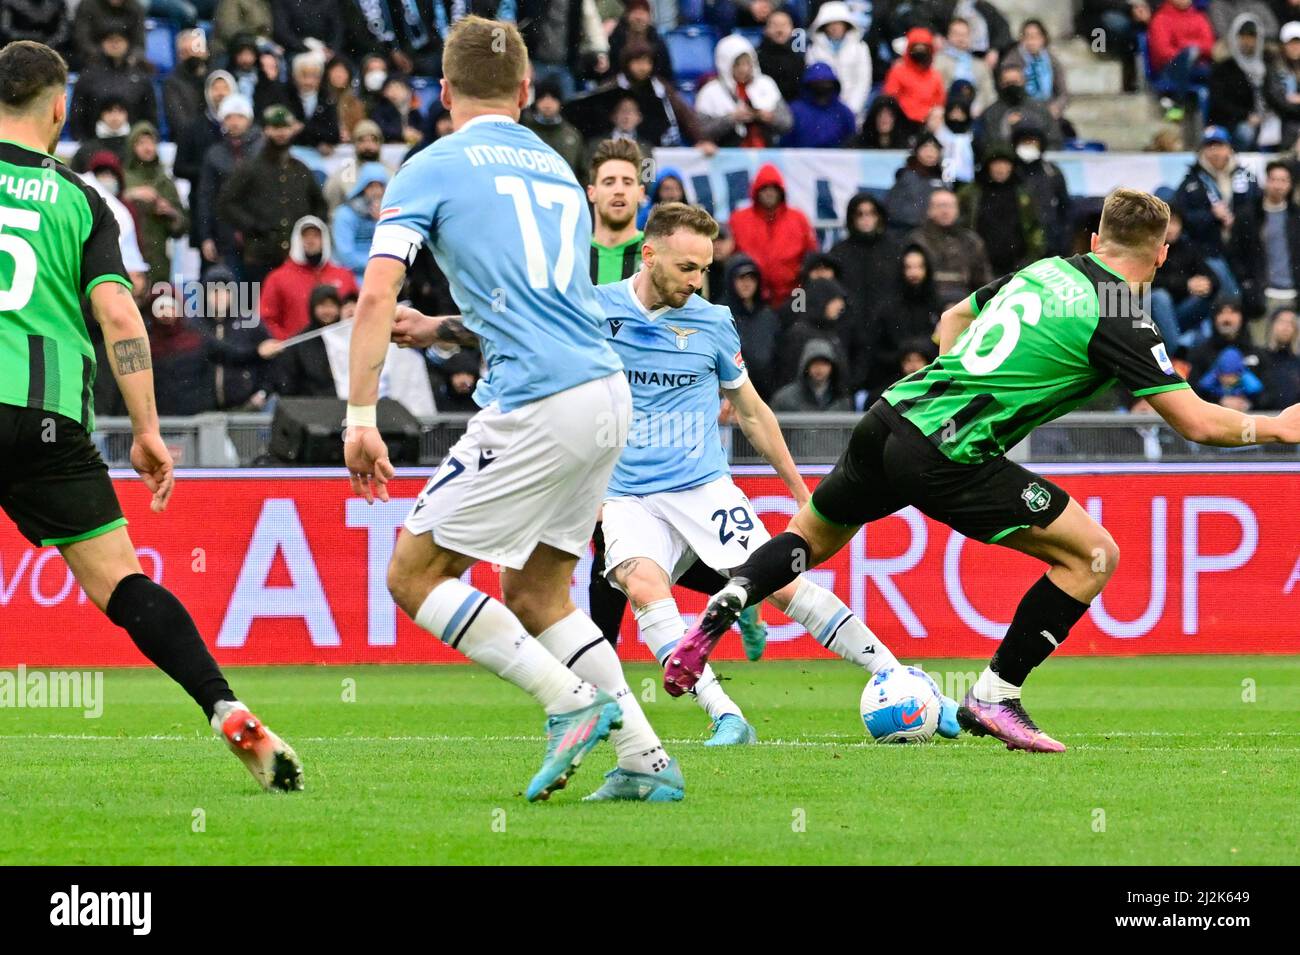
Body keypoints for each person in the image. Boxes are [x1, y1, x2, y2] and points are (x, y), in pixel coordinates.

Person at [667, 187, 1300, 752]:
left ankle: (732, 597)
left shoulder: (1048, 271)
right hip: (947, 453)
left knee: (808, 541)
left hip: (893, 415)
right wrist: (1278, 427)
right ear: (1161, 255)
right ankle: (995, 694)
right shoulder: (1123, 316)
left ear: (1092, 240)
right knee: (1093, 556)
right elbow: (1195, 423)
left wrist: (957, 385)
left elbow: (953, 318)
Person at [344, 16, 681, 803]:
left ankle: (567, 701)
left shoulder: (429, 167)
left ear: (442, 92)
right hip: (605, 393)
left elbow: (372, 294)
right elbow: (545, 302)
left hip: (538, 399)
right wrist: (442, 330)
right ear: (527, 93)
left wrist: (361, 414)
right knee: (537, 592)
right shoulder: (561, 172)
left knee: (415, 573)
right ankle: (645, 758)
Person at [0, 40, 302, 791]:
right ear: (61, 105)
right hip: (46, 422)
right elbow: (120, 316)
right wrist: (146, 430)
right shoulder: (82, 200)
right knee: (123, 585)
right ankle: (222, 703)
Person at [596, 203, 950, 743]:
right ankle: (726, 715)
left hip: (700, 485)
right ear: (649, 255)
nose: (697, 282)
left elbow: (753, 411)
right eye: (687, 268)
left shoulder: (713, 322)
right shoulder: (595, 312)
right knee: (643, 587)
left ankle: (902, 679)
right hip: (625, 494)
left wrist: (799, 491)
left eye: (705, 268)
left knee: (781, 587)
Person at [217, 104, 329, 284]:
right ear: (266, 130)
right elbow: (226, 203)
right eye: (276, 128)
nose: (281, 133)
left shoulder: (300, 169)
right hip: (261, 256)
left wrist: (308, 232)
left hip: (296, 257)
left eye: (284, 128)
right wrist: (253, 226)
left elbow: (320, 205)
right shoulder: (251, 167)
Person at [1173, 125, 1259, 305]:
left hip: (1244, 248)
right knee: (1228, 297)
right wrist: (1210, 216)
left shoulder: (1247, 178)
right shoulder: (1192, 181)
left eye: (1219, 145)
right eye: (1209, 146)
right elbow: (1181, 217)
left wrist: (1239, 220)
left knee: (1251, 296)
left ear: (1229, 148)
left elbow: (1257, 211)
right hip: (1209, 251)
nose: (1214, 151)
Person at [729, 162, 818, 307]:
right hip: (750, 297)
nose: (769, 193)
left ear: (781, 192)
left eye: (774, 188)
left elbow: (811, 255)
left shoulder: (798, 218)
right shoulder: (738, 219)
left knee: (799, 325)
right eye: (764, 188)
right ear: (756, 191)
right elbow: (732, 258)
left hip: (794, 295)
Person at [258, 215, 358, 340]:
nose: (310, 240)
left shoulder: (344, 275)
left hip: (339, 350)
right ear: (296, 239)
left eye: (316, 235)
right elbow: (267, 319)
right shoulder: (277, 278)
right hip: (297, 353)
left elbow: (359, 310)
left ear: (324, 239)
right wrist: (288, 344)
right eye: (305, 236)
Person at [865, 243, 942, 395]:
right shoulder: (887, 309)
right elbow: (877, 350)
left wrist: (923, 356)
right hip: (893, 382)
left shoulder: (937, 306)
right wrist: (903, 358)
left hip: (932, 381)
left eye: (919, 267)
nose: (914, 273)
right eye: (909, 267)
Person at [958, 145, 1046, 276]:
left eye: (1005, 164)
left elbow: (1034, 227)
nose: (1000, 169)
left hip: (1017, 263)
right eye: (996, 164)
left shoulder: (1023, 194)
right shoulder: (971, 193)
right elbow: (961, 225)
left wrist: (1034, 256)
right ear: (988, 166)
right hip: (980, 264)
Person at [695, 34, 792, 148]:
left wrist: (769, 117)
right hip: (727, 156)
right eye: (737, 64)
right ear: (725, 64)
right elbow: (700, 131)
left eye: (748, 63)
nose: (744, 69)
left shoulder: (766, 84)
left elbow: (787, 123)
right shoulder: (710, 92)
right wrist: (731, 119)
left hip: (765, 153)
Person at [122, 121, 188, 288]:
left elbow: (182, 227)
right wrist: (132, 195)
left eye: (151, 142)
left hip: (158, 259)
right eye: (141, 142)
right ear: (132, 146)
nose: (147, 147)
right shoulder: (123, 177)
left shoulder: (165, 181)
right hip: (128, 257)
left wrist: (170, 212)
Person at [907, 187, 993, 308]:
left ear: (957, 210)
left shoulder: (972, 241)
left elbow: (983, 281)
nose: (945, 211)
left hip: (965, 305)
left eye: (950, 206)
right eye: (941, 206)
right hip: (924, 306)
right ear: (929, 210)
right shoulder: (916, 240)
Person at [830, 193, 903, 329]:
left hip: (887, 325)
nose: (866, 219)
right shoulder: (839, 252)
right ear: (852, 218)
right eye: (860, 214)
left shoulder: (894, 249)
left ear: (879, 216)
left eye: (871, 213)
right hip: (850, 326)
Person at [1150, 206, 1218, 349]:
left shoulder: (1188, 247)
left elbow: (1213, 277)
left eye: (1174, 223)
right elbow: (1149, 281)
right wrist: (1186, 284)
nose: (1170, 228)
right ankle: (1177, 350)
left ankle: (1185, 341)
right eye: (1166, 223)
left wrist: (1207, 283)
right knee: (1160, 297)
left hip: (1181, 311)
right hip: (1152, 311)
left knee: (1207, 294)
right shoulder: (1149, 248)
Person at [1239, 160, 1300, 318]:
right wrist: (1247, 283)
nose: (1278, 185)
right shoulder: (1249, 215)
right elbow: (1236, 252)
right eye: (1274, 179)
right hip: (1261, 294)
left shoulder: (1296, 216)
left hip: (1293, 293)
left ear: (1290, 184)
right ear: (1266, 181)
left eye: (1283, 180)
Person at [1208, 14, 1267, 151]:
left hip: (1265, 119)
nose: (1248, 41)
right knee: (1245, 132)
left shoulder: (1265, 66)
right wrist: (1246, 116)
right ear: (1235, 37)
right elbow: (1219, 102)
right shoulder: (1224, 67)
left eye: (1252, 36)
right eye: (1243, 36)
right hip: (1234, 121)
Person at [1148, 0, 1215, 121]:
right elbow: (1163, 52)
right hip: (1170, 70)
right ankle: (1178, 102)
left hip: (1198, 68)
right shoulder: (1160, 19)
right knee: (1190, 53)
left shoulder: (1199, 18)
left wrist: (1187, 47)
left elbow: (1210, 46)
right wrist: (1187, 51)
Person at [725, 254, 781, 398]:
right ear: (731, 281)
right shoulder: (722, 315)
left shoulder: (768, 316)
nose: (747, 283)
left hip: (768, 393)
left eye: (751, 278)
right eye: (741, 278)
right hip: (733, 394)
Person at [806, 1, 871, 121]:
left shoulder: (860, 48)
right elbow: (814, 80)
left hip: (854, 112)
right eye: (830, 24)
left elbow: (863, 81)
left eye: (838, 23)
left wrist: (851, 109)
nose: (834, 27)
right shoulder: (814, 50)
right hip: (824, 111)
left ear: (846, 25)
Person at [1012, 123, 1072, 257]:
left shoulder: (1052, 173)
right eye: (1024, 142)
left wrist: (1062, 240)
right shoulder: (1010, 173)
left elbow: (1065, 209)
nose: (1028, 146)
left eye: (1032, 142)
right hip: (1016, 243)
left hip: (1048, 242)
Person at [998, 18, 1069, 126]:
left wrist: (1056, 107)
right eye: (1028, 36)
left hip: (1049, 109)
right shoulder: (1011, 61)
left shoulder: (1052, 61)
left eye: (1035, 37)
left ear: (1043, 38)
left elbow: (1062, 92)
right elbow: (1009, 94)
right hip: (1022, 111)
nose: (1031, 41)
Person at [331, 162, 390, 283]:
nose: (377, 192)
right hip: (352, 276)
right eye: (371, 186)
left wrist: (382, 221)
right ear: (362, 188)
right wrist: (378, 264)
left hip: (384, 273)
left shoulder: (390, 215)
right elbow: (345, 255)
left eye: (380, 186)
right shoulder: (344, 214)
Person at [880, 26, 944, 138]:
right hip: (901, 124)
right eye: (916, 47)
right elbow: (889, 99)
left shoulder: (935, 75)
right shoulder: (897, 71)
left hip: (927, 126)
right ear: (909, 49)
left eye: (924, 47)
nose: (920, 51)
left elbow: (939, 102)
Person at [522, 78, 586, 181]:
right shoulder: (524, 131)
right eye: (542, 97)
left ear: (560, 102)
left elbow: (582, 173)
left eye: (553, 97)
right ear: (536, 101)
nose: (547, 103)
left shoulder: (572, 135)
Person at [783, 61, 857, 148]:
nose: (822, 86)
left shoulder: (844, 113)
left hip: (836, 160)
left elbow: (852, 141)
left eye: (826, 83)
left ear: (834, 85)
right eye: (817, 83)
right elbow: (785, 141)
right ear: (808, 85)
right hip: (799, 159)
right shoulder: (794, 110)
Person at [934, 15, 995, 116]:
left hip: (976, 113)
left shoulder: (981, 65)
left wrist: (981, 107)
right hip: (946, 111)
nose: (961, 38)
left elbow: (990, 95)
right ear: (948, 36)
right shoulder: (938, 60)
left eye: (964, 35)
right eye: (956, 34)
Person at [884, 132, 946, 231]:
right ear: (917, 152)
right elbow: (893, 209)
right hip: (908, 232)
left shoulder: (942, 181)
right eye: (925, 147)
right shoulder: (906, 177)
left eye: (934, 148)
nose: (930, 152)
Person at [770, 338, 853, 411]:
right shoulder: (785, 399)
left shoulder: (842, 400)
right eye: (815, 363)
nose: (819, 368)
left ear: (832, 367)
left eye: (824, 363)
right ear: (806, 366)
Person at [757, 5, 805, 104]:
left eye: (784, 25)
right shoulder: (757, 58)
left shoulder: (799, 60)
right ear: (766, 29)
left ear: (792, 29)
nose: (779, 30)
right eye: (774, 25)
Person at [1267, 21, 1300, 149]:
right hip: (1282, 120)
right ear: (1283, 45)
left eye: (1297, 42)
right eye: (1291, 43)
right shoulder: (1274, 67)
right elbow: (1278, 100)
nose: (1295, 47)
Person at [1264, 307, 1300, 408]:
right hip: (1265, 418)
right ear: (1272, 325)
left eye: (1291, 323)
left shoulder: (1297, 362)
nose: (1286, 327)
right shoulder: (1259, 357)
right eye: (1282, 321)